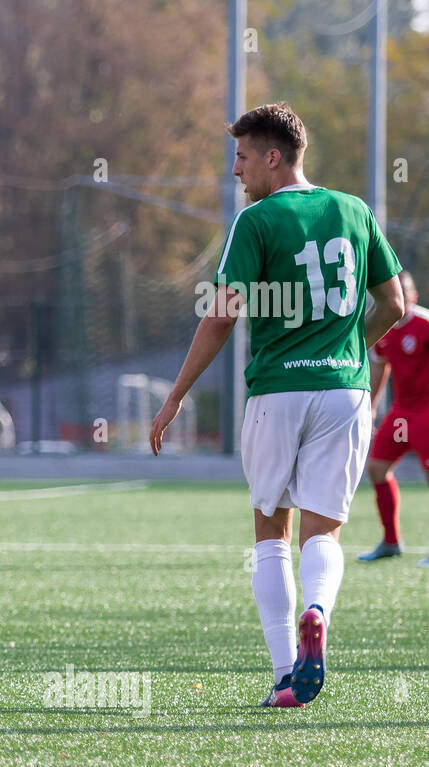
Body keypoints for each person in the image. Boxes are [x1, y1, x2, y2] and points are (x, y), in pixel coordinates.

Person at [150, 103, 405, 708]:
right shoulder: (354, 209)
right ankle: (317, 611)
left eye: (241, 158)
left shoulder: (257, 220)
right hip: (345, 390)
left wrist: (176, 396)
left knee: (271, 530)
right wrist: (345, 349)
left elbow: (219, 315)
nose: (234, 171)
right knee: (326, 530)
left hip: (277, 392)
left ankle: (287, 672)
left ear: (271, 157)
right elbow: (393, 303)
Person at [357, 271, 429, 567]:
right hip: (402, 413)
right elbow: (381, 367)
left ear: (412, 296)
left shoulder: (428, 324)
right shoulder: (384, 327)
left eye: (405, 292)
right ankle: (391, 541)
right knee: (377, 468)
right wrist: (370, 405)